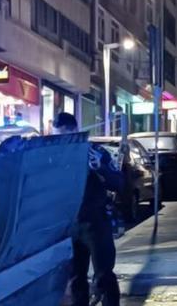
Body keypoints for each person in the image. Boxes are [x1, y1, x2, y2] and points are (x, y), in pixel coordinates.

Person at [51, 113, 122, 306]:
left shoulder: (94, 152)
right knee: (75, 280)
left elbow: (118, 182)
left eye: (64, 136)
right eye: (56, 136)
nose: (61, 141)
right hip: (68, 227)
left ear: (74, 130)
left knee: (104, 276)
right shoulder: (53, 156)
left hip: (95, 224)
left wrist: (100, 169)